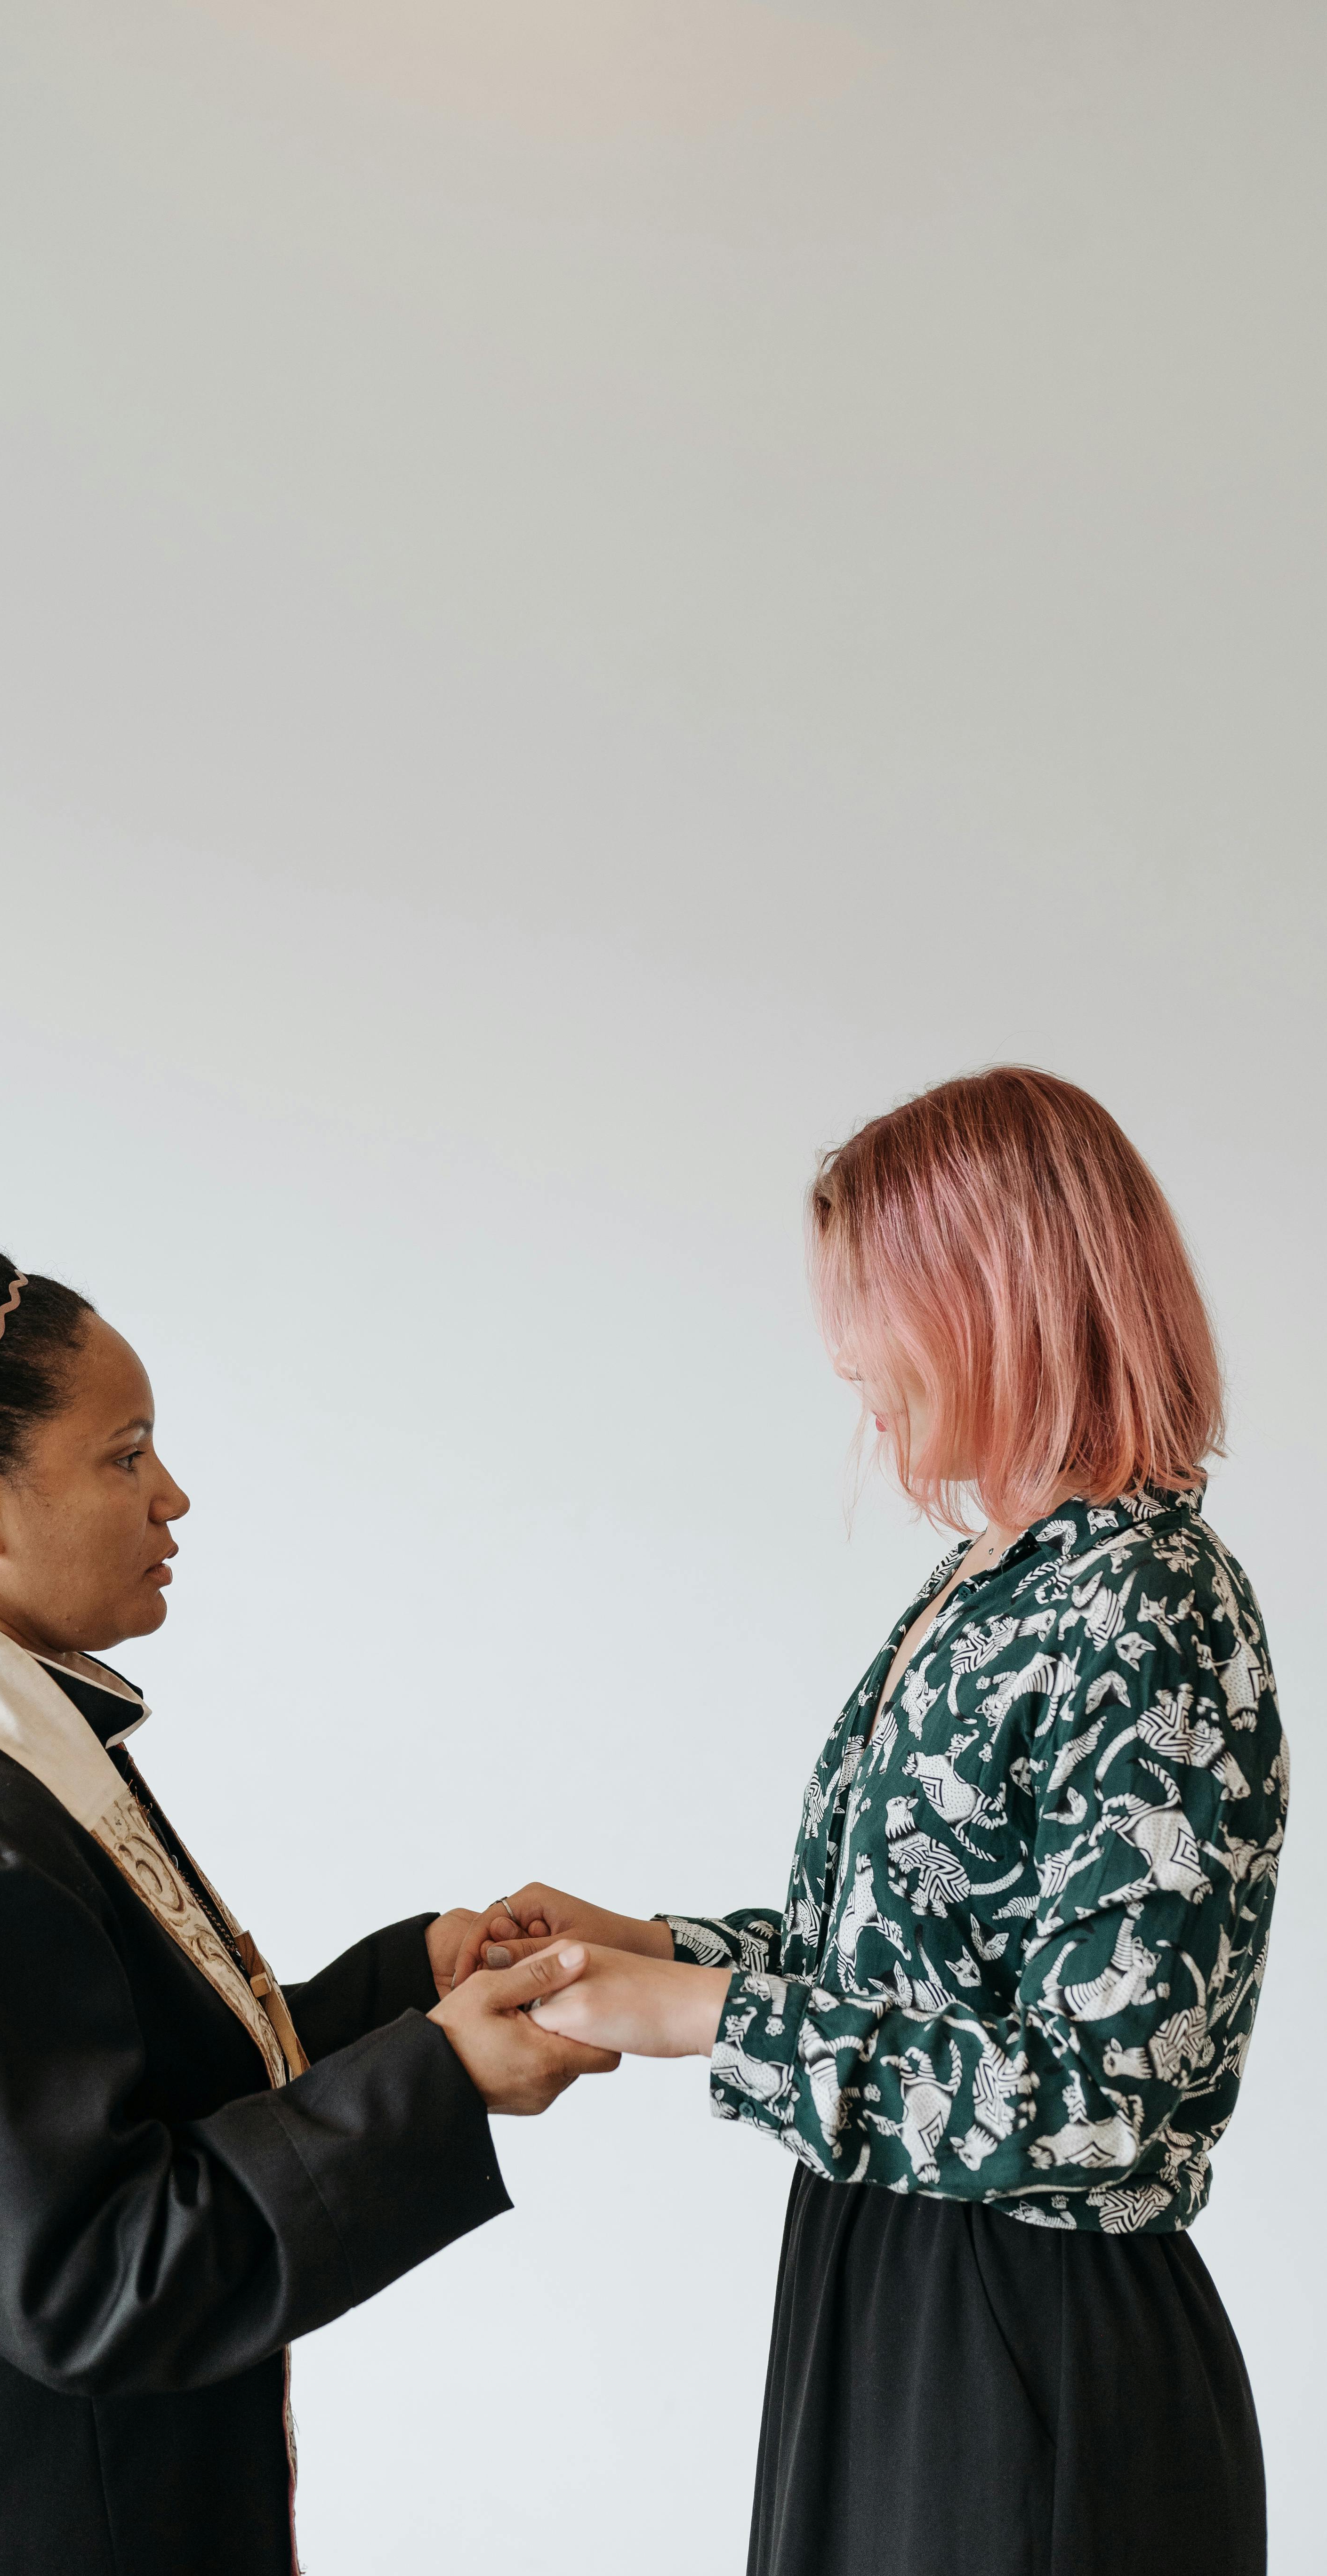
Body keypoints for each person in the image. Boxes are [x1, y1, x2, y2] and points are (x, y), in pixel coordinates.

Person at [0, 1177, 616, 2576]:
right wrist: (440, 2079)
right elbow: (102, 2276)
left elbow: (134, 2103)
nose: (173, 1494)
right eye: (126, 1455)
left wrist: (410, 1985)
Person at [452, 1068, 1284, 2576]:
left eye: (874, 1297)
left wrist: (711, 2014)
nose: (843, 1351)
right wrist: (642, 1946)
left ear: (1001, 1294)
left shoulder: (1149, 1596)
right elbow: (908, 1958)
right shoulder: (994, 1572)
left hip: (1032, 2344)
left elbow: (1103, 2101)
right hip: (892, 2291)